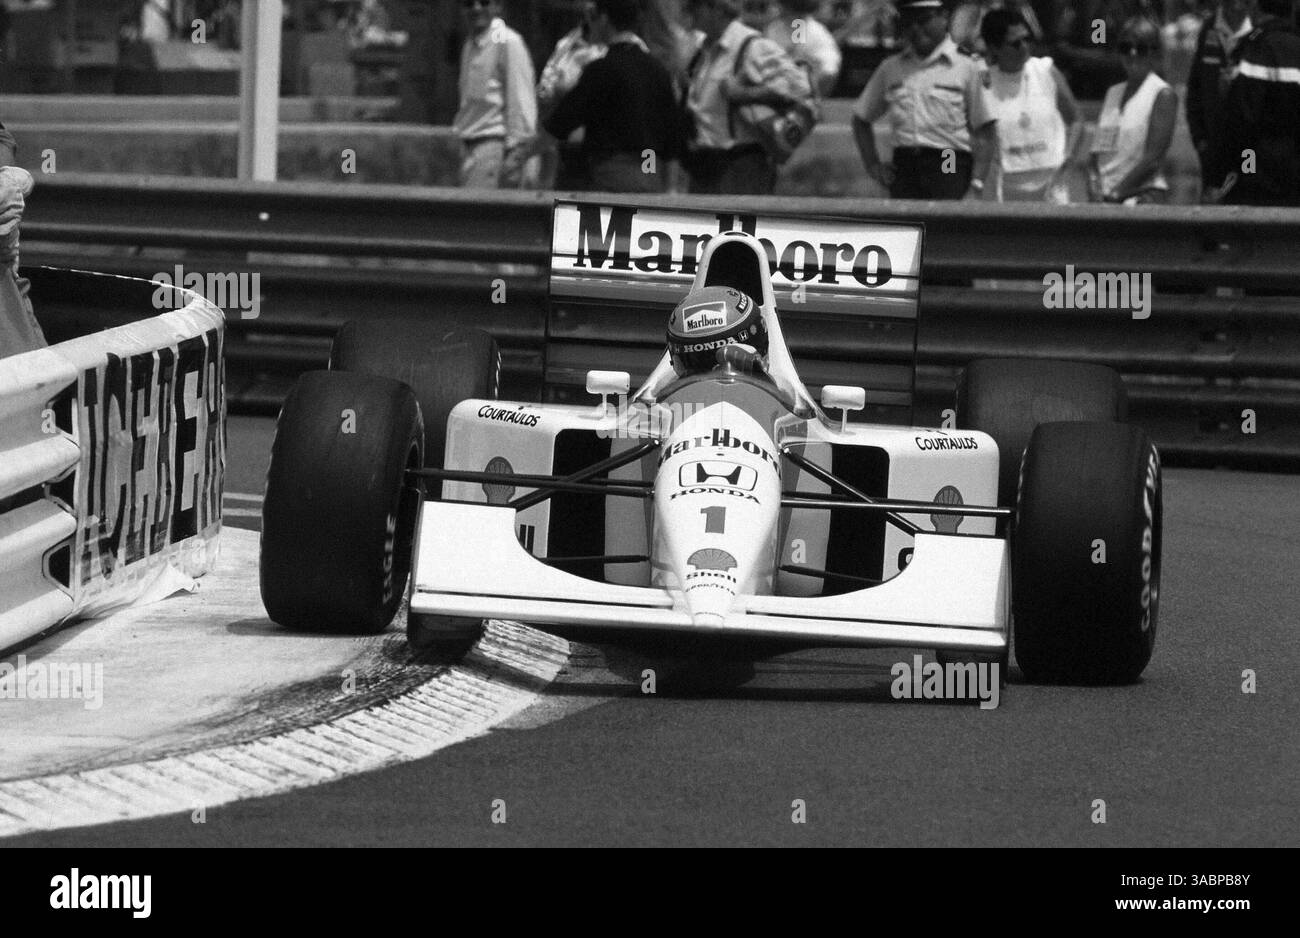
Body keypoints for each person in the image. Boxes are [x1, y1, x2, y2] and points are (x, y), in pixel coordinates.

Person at [852, 0, 995, 199]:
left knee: (947, 221)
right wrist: (872, 164)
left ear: (943, 17)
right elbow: (861, 118)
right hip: (905, 162)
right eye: (909, 21)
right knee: (908, 227)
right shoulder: (891, 68)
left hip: (949, 158)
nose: (916, 28)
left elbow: (986, 130)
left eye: (923, 19)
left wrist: (977, 183)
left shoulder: (968, 66)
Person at [544, 0, 691, 192]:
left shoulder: (601, 70)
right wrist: (671, 188)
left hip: (613, 172)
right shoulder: (657, 69)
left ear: (604, 19)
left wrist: (525, 152)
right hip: (650, 168)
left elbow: (562, 121)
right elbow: (673, 135)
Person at [681, 0, 802, 194]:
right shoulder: (703, 50)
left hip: (741, 167)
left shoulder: (752, 46)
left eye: (694, 6)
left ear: (717, 9)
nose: (687, 10)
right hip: (705, 166)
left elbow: (798, 86)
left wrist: (744, 94)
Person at [979, 7, 1080, 202]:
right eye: (1015, 43)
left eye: (1027, 39)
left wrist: (1070, 156)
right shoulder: (983, 81)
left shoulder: (1046, 70)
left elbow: (1076, 120)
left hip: (1051, 186)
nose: (1024, 46)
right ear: (994, 47)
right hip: (1004, 186)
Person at [1205, 0, 1300, 206]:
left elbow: (1243, 121)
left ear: (1256, 9)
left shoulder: (1257, 47)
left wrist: (1241, 172)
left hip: (1258, 172)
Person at [1087, 17, 1177, 204]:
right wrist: (1094, 189)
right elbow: (1096, 154)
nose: (1133, 54)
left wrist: (1116, 195)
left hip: (1141, 197)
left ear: (1155, 53)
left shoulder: (1162, 94)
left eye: (1141, 48)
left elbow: (1153, 160)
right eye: (1126, 47)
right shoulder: (1113, 93)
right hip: (1103, 199)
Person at [452, 0, 538, 188]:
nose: (476, 8)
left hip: (494, 149)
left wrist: (516, 153)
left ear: (497, 6)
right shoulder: (469, 45)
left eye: (483, 2)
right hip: (469, 147)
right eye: (469, 3)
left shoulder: (508, 41)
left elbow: (521, 100)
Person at [1186, 0, 1254, 199]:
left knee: (1250, 204)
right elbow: (1195, 90)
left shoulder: (1260, 30)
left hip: (1249, 150)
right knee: (1212, 212)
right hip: (1213, 148)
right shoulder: (1209, 29)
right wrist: (1200, 140)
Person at [536, 6, 608, 189]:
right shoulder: (566, 44)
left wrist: (650, 170)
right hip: (563, 150)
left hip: (602, 155)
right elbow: (545, 90)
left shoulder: (620, 48)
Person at [666, 285, 768, 378]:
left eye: (734, 364)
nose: (718, 375)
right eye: (700, 366)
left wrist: (759, 374)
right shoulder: (660, 392)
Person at [765, 0, 843, 95]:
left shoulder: (811, 31)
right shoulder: (775, 28)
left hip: (795, 100)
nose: (773, 8)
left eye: (777, 4)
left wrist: (807, 95)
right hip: (772, 96)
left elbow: (829, 72)